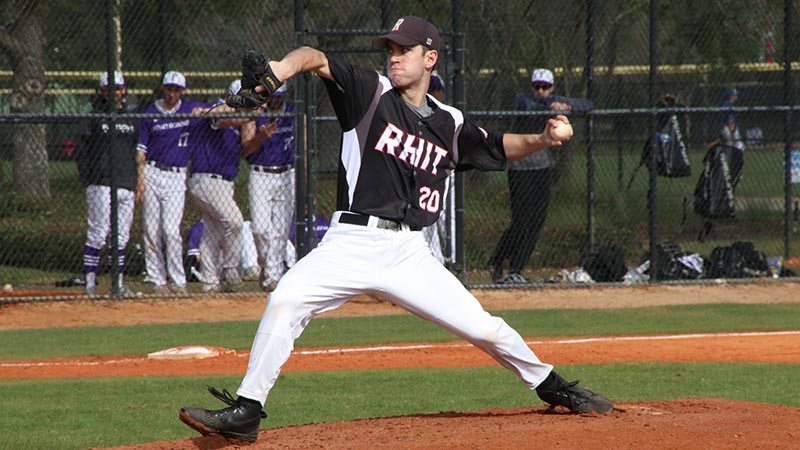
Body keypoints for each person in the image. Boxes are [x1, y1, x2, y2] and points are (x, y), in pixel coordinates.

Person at [179, 16, 613, 444]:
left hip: (409, 252)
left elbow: (497, 146)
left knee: (483, 328)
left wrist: (542, 138)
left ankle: (551, 385)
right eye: (391, 48)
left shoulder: (450, 122)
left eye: (404, 49)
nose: (394, 57)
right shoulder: (370, 92)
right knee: (285, 301)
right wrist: (279, 69)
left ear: (430, 58)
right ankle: (247, 411)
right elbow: (314, 57)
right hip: (350, 241)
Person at [487, 67, 593, 284]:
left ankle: (516, 269)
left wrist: (567, 105)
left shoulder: (554, 100)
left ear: (552, 87)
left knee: (537, 221)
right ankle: (496, 261)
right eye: (537, 86)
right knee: (521, 220)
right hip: (520, 167)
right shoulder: (523, 100)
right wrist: (551, 105)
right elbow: (529, 107)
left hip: (542, 167)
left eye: (545, 87)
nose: (541, 91)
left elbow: (588, 105)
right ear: (532, 87)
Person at [74, 71, 138, 296]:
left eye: (119, 88)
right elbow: (80, 151)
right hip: (100, 183)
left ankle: (117, 284)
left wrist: (136, 180)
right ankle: (90, 285)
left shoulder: (130, 117)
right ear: (102, 91)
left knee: (121, 237)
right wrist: (89, 179)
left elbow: (135, 150)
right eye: (110, 89)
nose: (116, 93)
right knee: (98, 234)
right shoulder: (93, 117)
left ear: (124, 90)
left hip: (126, 182)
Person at [136, 71, 200, 294]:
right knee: (151, 231)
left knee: (171, 231)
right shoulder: (151, 113)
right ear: (163, 88)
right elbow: (141, 151)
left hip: (176, 175)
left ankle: (178, 281)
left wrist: (205, 112)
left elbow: (219, 109)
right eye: (169, 88)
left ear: (182, 91)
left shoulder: (189, 109)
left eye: (176, 89)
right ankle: (157, 280)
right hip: (153, 172)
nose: (172, 93)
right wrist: (141, 178)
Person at [185, 82, 250, 293]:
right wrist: (249, 115)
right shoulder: (220, 108)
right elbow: (220, 117)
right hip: (206, 180)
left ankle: (210, 283)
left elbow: (245, 147)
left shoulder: (242, 118)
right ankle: (230, 268)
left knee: (212, 233)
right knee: (235, 221)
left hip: (225, 183)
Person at [239, 82, 297, 292]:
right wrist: (261, 136)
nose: (275, 100)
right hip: (260, 173)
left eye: (279, 96)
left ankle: (273, 278)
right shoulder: (255, 114)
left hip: (287, 173)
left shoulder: (293, 112)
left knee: (280, 231)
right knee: (261, 229)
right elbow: (245, 150)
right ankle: (267, 267)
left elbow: (305, 143)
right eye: (272, 96)